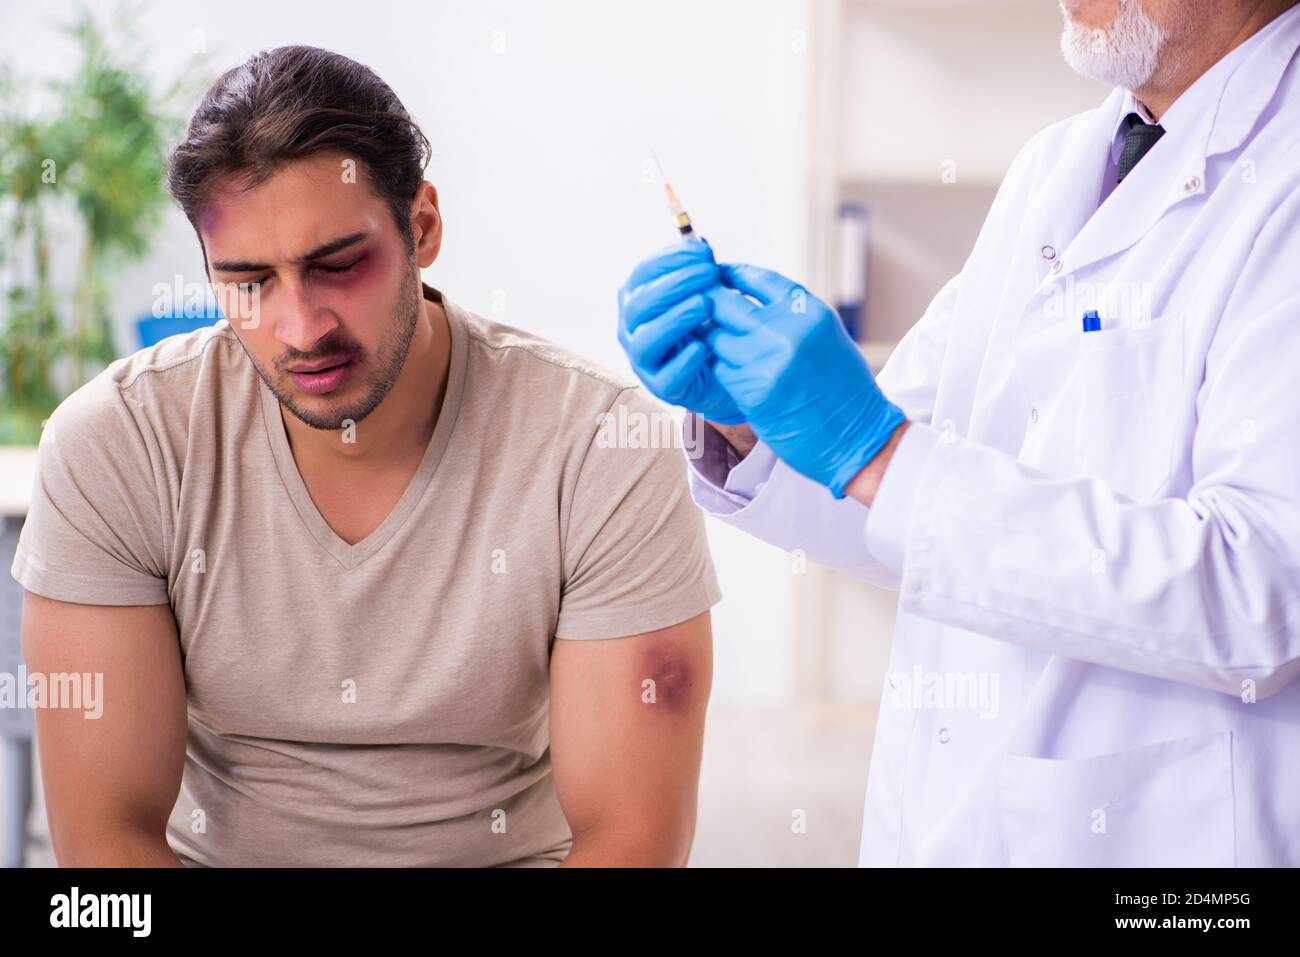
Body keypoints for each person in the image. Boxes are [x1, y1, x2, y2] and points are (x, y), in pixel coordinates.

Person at [619, 0, 1300, 866]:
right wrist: (752, 422)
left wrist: (877, 453)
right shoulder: (1056, 166)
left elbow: (1263, 589)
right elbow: (899, 497)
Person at [15, 45, 719, 867]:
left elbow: (630, 838)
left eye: (339, 266)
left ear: (422, 225)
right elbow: (107, 840)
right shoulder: (117, 442)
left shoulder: (599, 446)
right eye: (249, 282)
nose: (301, 327)